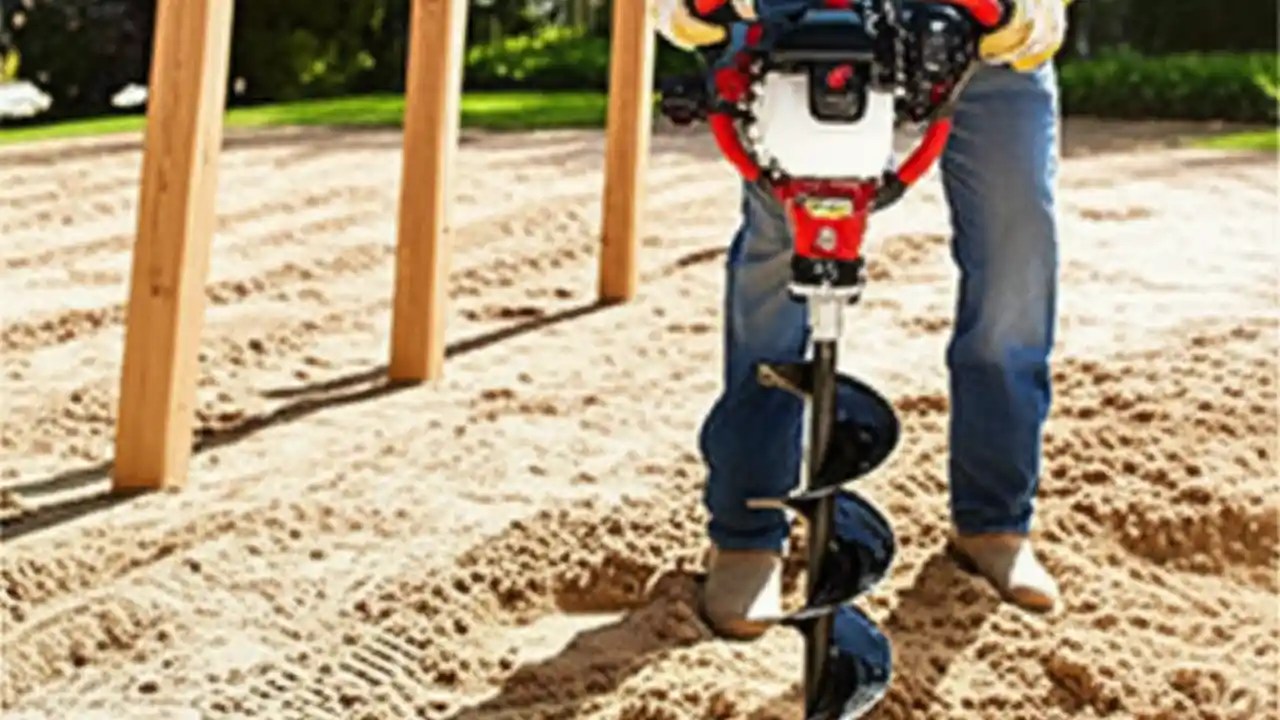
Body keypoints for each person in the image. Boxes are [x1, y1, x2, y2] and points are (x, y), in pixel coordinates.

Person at [652, 0, 1070, 639]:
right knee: (778, 259)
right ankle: (747, 534)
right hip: (805, 20)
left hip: (983, 36)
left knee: (1017, 255)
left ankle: (995, 524)